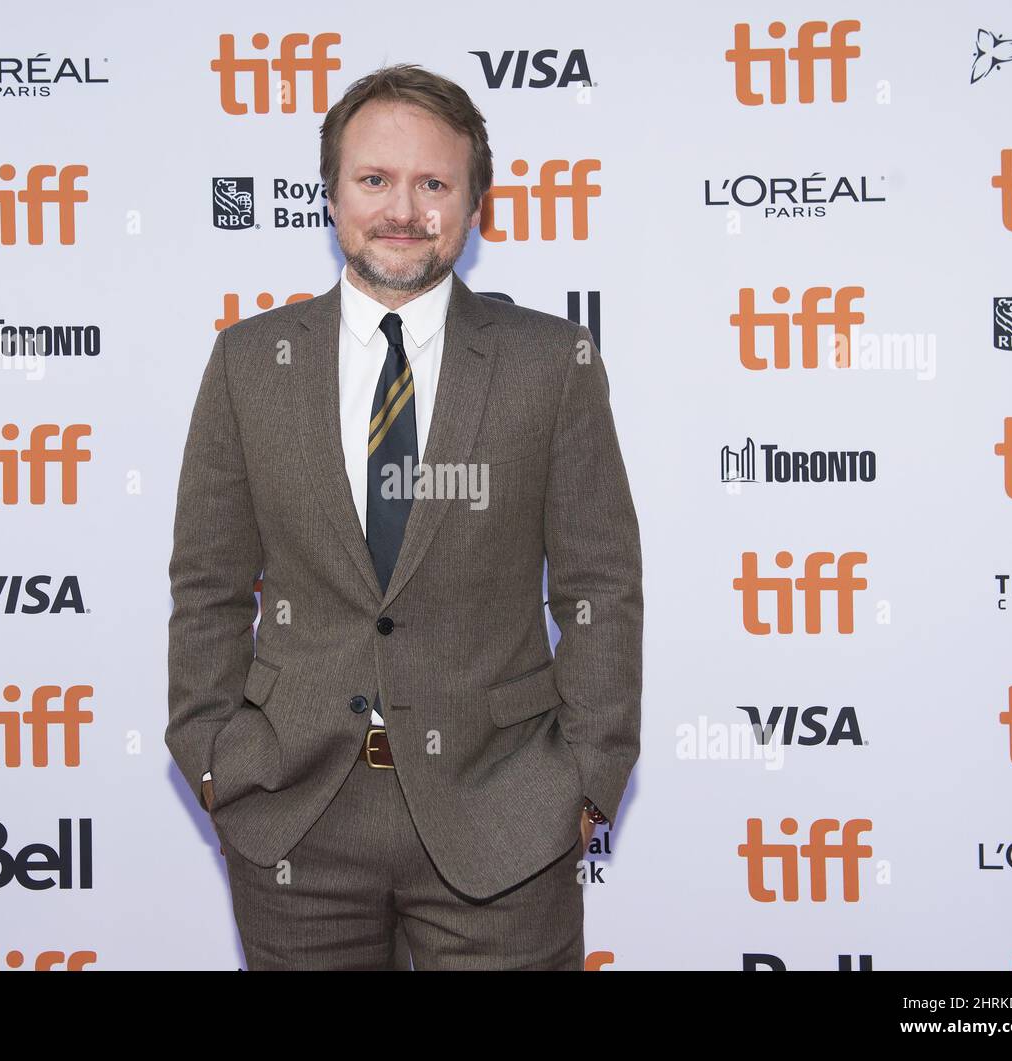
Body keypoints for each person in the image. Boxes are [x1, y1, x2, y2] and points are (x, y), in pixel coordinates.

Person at [166, 62, 642, 970]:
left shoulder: (551, 363)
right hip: (295, 809)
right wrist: (215, 758)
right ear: (332, 197)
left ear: (474, 206)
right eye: (374, 179)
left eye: (434, 183)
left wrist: (585, 781)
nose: (403, 209)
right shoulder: (246, 362)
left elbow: (601, 585)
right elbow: (208, 587)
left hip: (503, 811)